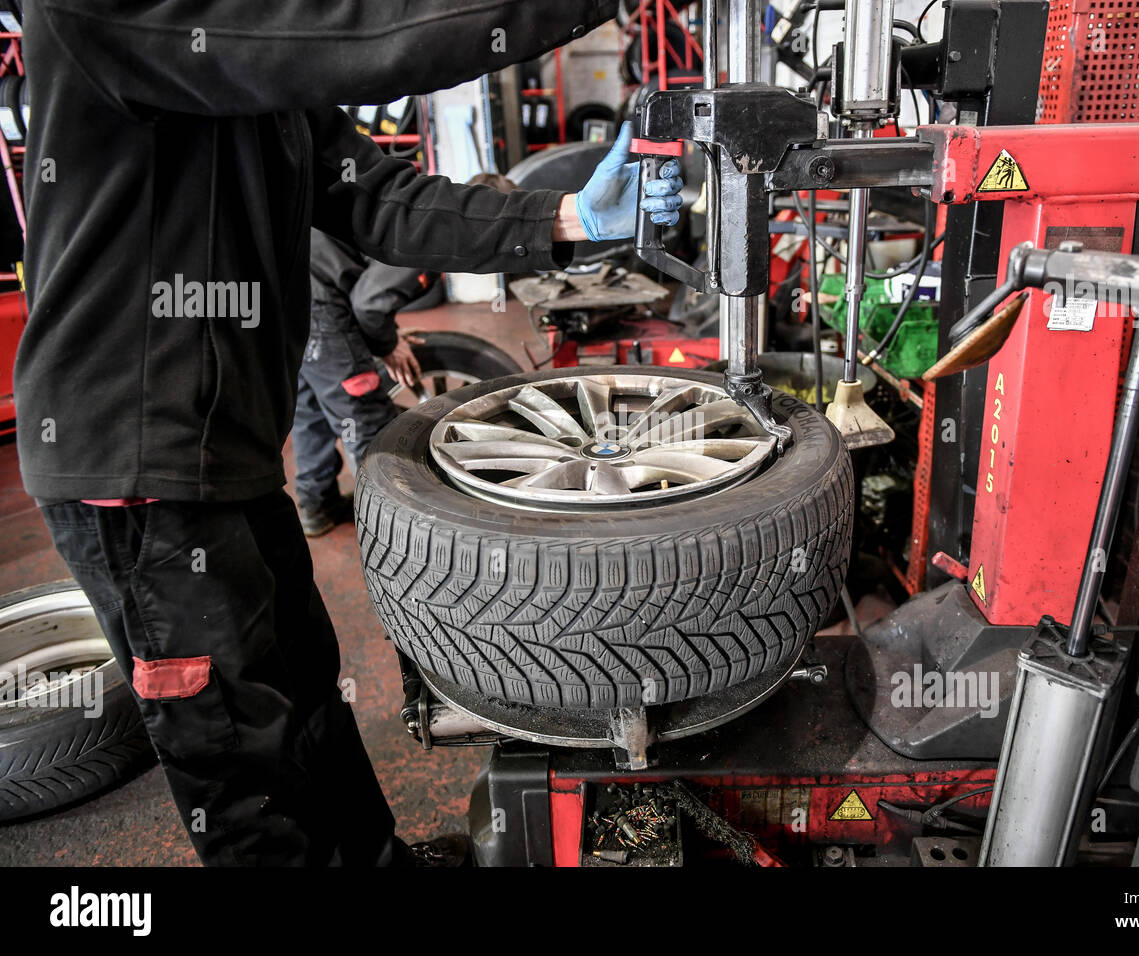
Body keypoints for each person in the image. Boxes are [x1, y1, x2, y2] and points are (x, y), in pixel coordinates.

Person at [15, 1, 684, 866]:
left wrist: (569, 221)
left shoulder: (260, 73)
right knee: (237, 750)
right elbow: (370, 36)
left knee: (305, 696)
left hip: (226, 448)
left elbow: (381, 198)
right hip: (131, 460)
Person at [292, 228, 428, 537]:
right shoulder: (437, 236)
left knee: (310, 408)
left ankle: (317, 506)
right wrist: (387, 344)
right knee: (365, 419)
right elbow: (370, 304)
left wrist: (386, 332)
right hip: (320, 305)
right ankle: (395, 529)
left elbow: (370, 292)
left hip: (288, 294)